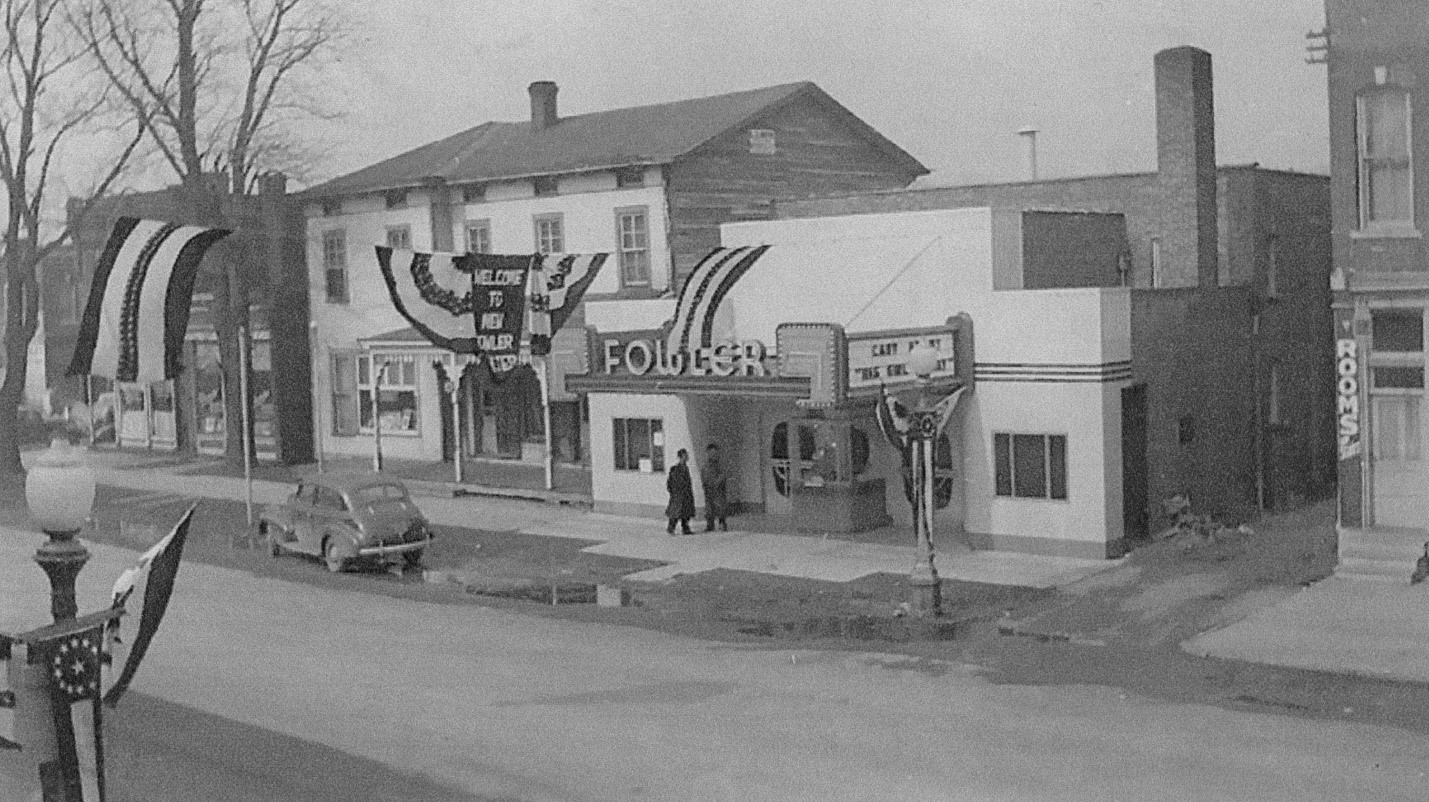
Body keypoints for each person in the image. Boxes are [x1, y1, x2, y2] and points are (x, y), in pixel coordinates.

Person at [665, 449, 695, 535]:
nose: (687, 457)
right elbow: (672, 482)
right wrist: (674, 492)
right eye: (685, 455)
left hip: (686, 494)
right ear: (681, 457)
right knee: (676, 512)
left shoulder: (686, 468)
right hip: (678, 495)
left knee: (686, 512)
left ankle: (685, 528)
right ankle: (671, 528)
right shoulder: (676, 469)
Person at [701, 443, 729, 532]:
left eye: (715, 453)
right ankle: (710, 524)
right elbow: (704, 477)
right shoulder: (706, 466)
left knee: (720, 507)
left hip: (718, 490)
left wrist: (717, 482)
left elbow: (723, 475)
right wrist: (707, 484)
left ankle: (722, 523)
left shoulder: (720, 465)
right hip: (709, 490)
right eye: (711, 453)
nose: (713, 455)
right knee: (709, 509)